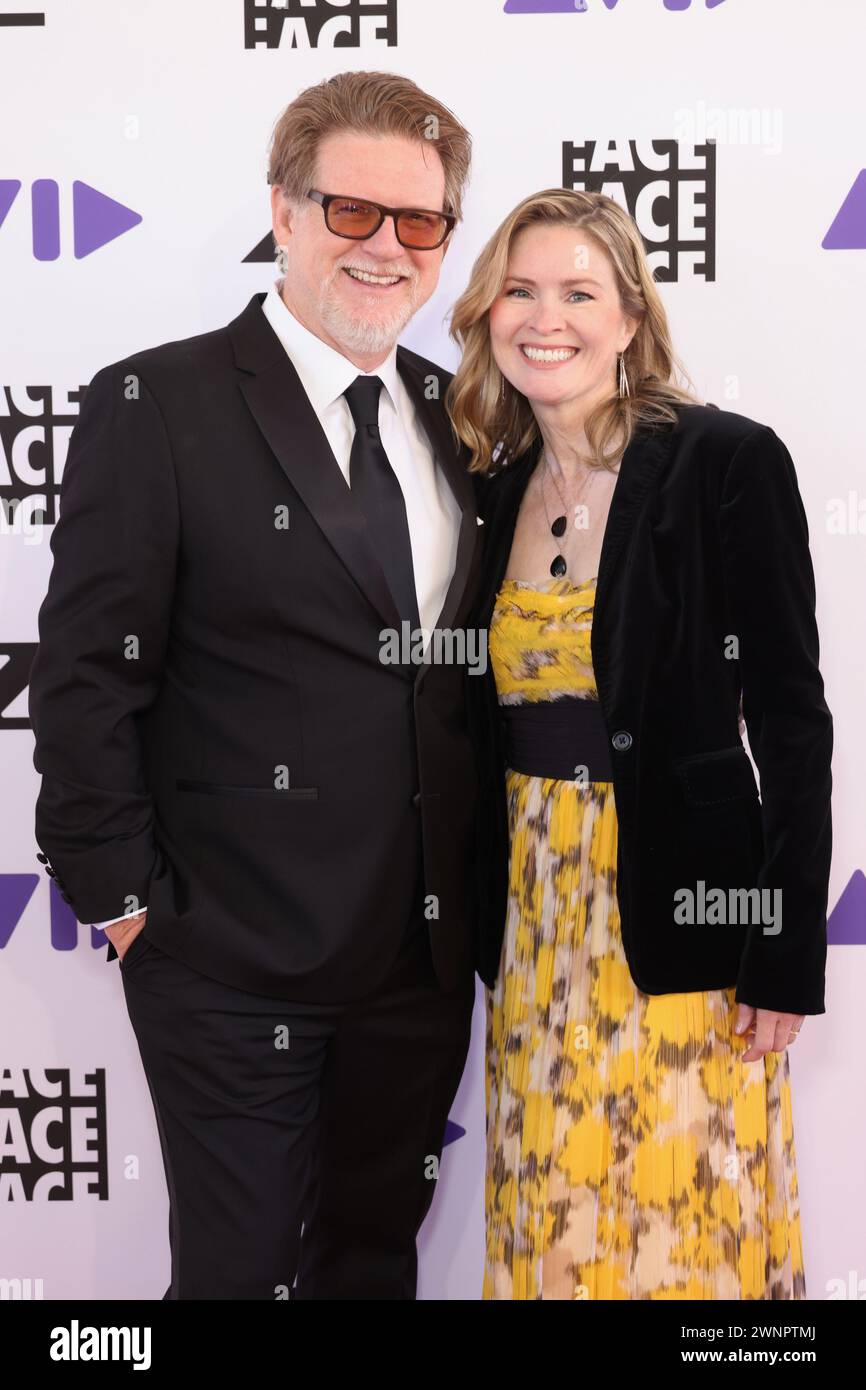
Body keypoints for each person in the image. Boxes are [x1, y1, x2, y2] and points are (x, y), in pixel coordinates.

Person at [28, 70, 480, 1300]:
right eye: (350, 212)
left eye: (420, 221)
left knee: (371, 1263)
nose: (386, 247)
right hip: (225, 961)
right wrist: (130, 905)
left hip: (420, 962)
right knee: (230, 1279)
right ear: (280, 213)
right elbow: (84, 676)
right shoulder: (157, 403)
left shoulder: (462, 417)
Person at [448, 188, 833, 1299]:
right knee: (553, 1211)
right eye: (518, 290)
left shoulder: (722, 461)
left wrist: (779, 946)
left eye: (577, 291)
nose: (543, 316)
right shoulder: (491, 483)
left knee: (679, 1214)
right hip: (532, 917)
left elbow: (793, 718)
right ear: (486, 313)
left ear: (628, 317)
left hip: (684, 915)